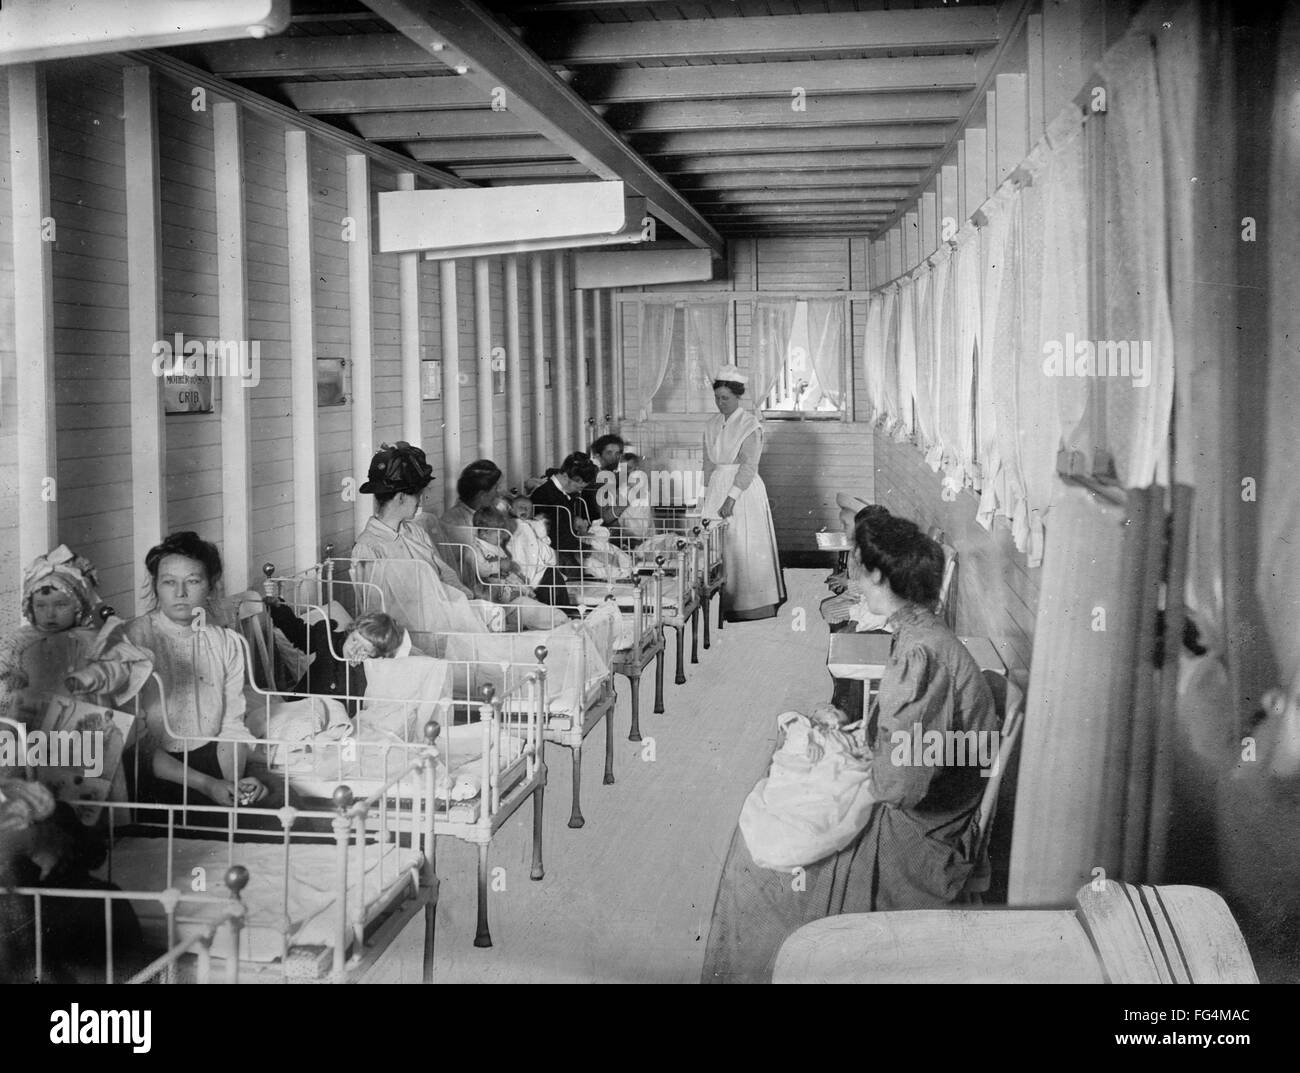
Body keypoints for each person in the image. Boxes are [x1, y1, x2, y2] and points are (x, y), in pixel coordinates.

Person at [701, 511, 999, 983]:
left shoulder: (918, 657)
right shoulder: (923, 634)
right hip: (935, 802)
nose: (854, 580)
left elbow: (902, 787)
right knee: (782, 794)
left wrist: (856, 758)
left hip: (921, 834)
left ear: (880, 574)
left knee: (759, 863)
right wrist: (858, 734)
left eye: (858, 568)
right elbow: (911, 748)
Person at [124, 532, 275, 811]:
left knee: (280, 808)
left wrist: (234, 783)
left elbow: (231, 727)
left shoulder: (225, 642)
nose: (180, 593)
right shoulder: (133, 640)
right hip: (152, 772)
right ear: (155, 586)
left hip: (213, 762)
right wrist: (208, 785)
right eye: (169, 582)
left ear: (211, 586)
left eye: (192, 581)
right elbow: (135, 745)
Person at [352, 443, 565, 641]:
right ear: (400, 497)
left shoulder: (415, 533)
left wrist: (469, 603)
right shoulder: (369, 548)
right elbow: (375, 612)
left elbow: (447, 574)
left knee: (550, 617)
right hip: (417, 632)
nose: (421, 500)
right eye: (418, 495)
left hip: (450, 610)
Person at [0, 545, 152, 733]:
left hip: (79, 718)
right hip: (32, 718)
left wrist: (85, 679)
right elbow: (4, 661)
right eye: (40, 606)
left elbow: (115, 669)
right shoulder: (23, 639)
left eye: (60, 605)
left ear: (78, 607)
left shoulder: (90, 639)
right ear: (30, 607)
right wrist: (11, 676)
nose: (50, 614)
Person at [699, 366, 786, 622]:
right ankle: (722, 603)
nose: (720, 403)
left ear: (738, 397)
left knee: (742, 544)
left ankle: (750, 606)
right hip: (718, 484)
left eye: (725, 398)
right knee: (718, 544)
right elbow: (707, 462)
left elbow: (749, 466)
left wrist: (730, 498)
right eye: (717, 398)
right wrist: (706, 494)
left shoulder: (750, 424)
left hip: (742, 491)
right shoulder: (712, 423)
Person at [530, 452, 598, 569]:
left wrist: (577, 523)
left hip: (567, 548)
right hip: (554, 555)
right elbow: (556, 537)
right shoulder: (545, 496)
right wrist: (582, 544)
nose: (579, 491)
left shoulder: (565, 493)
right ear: (566, 476)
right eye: (579, 486)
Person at [584, 434, 626, 530]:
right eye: (609, 453)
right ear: (598, 456)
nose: (615, 458)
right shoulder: (598, 482)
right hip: (601, 533)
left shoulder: (610, 476)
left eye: (617, 453)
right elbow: (607, 517)